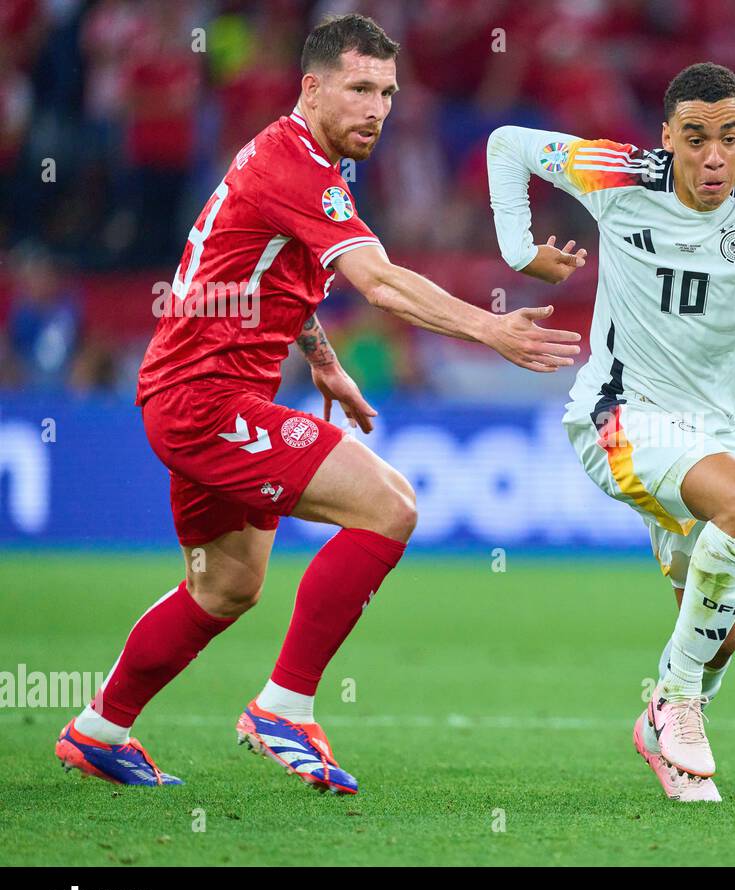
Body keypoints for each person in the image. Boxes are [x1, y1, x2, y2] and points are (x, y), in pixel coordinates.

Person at [55, 14, 580, 793]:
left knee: (225, 586)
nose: (377, 107)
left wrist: (324, 362)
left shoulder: (295, 160)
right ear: (312, 86)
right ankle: (283, 709)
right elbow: (379, 280)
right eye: (360, 88)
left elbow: (262, 269)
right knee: (391, 506)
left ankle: (98, 730)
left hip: (199, 392)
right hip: (206, 400)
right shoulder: (295, 163)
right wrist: (488, 327)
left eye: (388, 92)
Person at [487, 62, 735, 801]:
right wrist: (520, 251)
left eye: (727, 138)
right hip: (618, 418)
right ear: (668, 139)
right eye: (694, 140)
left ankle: (668, 726)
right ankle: (672, 704)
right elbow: (507, 143)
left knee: (721, 631)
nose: (712, 157)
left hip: (709, 436)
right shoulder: (620, 174)